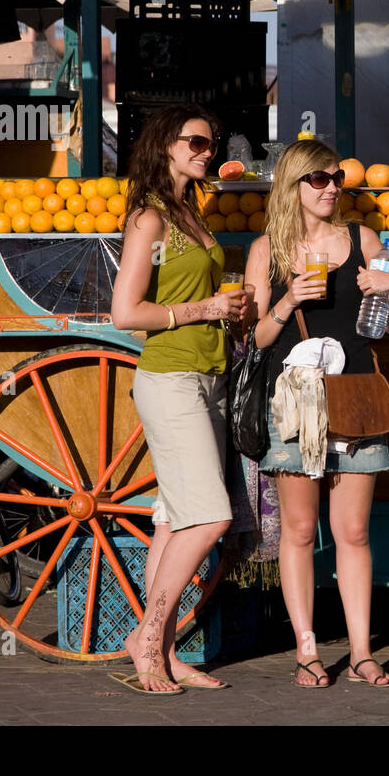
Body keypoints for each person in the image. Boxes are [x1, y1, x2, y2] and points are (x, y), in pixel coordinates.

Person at [244, 139, 389, 688]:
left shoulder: (363, 239)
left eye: (335, 177)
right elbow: (258, 335)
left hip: (356, 394)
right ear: (292, 184)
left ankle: (362, 653)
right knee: (298, 529)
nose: (332, 186)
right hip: (293, 402)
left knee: (354, 531)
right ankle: (307, 651)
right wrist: (288, 301)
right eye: (318, 178)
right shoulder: (267, 251)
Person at [110, 103, 253, 694]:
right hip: (170, 379)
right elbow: (125, 312)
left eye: (210, 143)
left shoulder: (192, 214)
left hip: (209, 376)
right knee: (211, 516)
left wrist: (232, 313)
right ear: (166, 145)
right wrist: (205, 309)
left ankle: (163, 651)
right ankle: (147, 638)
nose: (206, 152)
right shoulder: (149, 221)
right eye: (195, 142)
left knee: (173, 522)